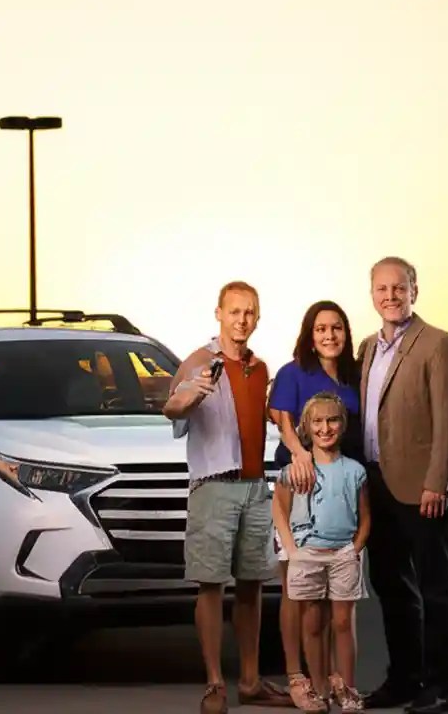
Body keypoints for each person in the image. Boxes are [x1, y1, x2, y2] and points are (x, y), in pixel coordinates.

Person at [164, 281, 293, 714]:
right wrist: (189, 396)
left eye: (250, 312)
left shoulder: (260, 369)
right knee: (211, 584)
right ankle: (215, 682)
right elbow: (172, 408)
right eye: (234, 311)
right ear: (218, 313)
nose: (242, 320)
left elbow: (271, 418)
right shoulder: (198, 363)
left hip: (256, 488)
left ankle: (252, 681)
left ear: (257, 318)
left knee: (253, 585)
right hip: (213, 486)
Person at [357, 256, 448, 714]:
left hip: (423, 488)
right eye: (382, 289)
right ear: (372, 295)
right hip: (377, 482)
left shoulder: (439, 344)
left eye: (399, 288)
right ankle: (403, 678)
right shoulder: (366, 348)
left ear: (414, 290)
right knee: (391, 585)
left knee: (435, 588)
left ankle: (439, 686)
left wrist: (436, 482)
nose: (390, 296)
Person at [267, 301, 363, 708]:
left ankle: (335, 681)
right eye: (321, 328)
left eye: (337, 327)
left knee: (339, 596)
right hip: (300, 482)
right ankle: (297, 678)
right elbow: (279, 413)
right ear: (310, 334)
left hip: (342, 488)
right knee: (298, 591)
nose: (329, 335)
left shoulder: (355, 376)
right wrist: (298, 453)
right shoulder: (294, 372)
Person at [273, 391, 370, 714]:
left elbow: (365, 516)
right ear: (306, 426)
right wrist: (292, 550)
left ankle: (348, 687)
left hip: (343, 553)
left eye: (332, 420)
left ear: (342, 425)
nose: (325, 428)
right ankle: (319, 689)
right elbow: (280, 508)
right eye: (317, 421)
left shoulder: (355, 470)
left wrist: (354, 549)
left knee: (342, 622)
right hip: (307, 553)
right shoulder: (296, 470)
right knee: (312, 622)